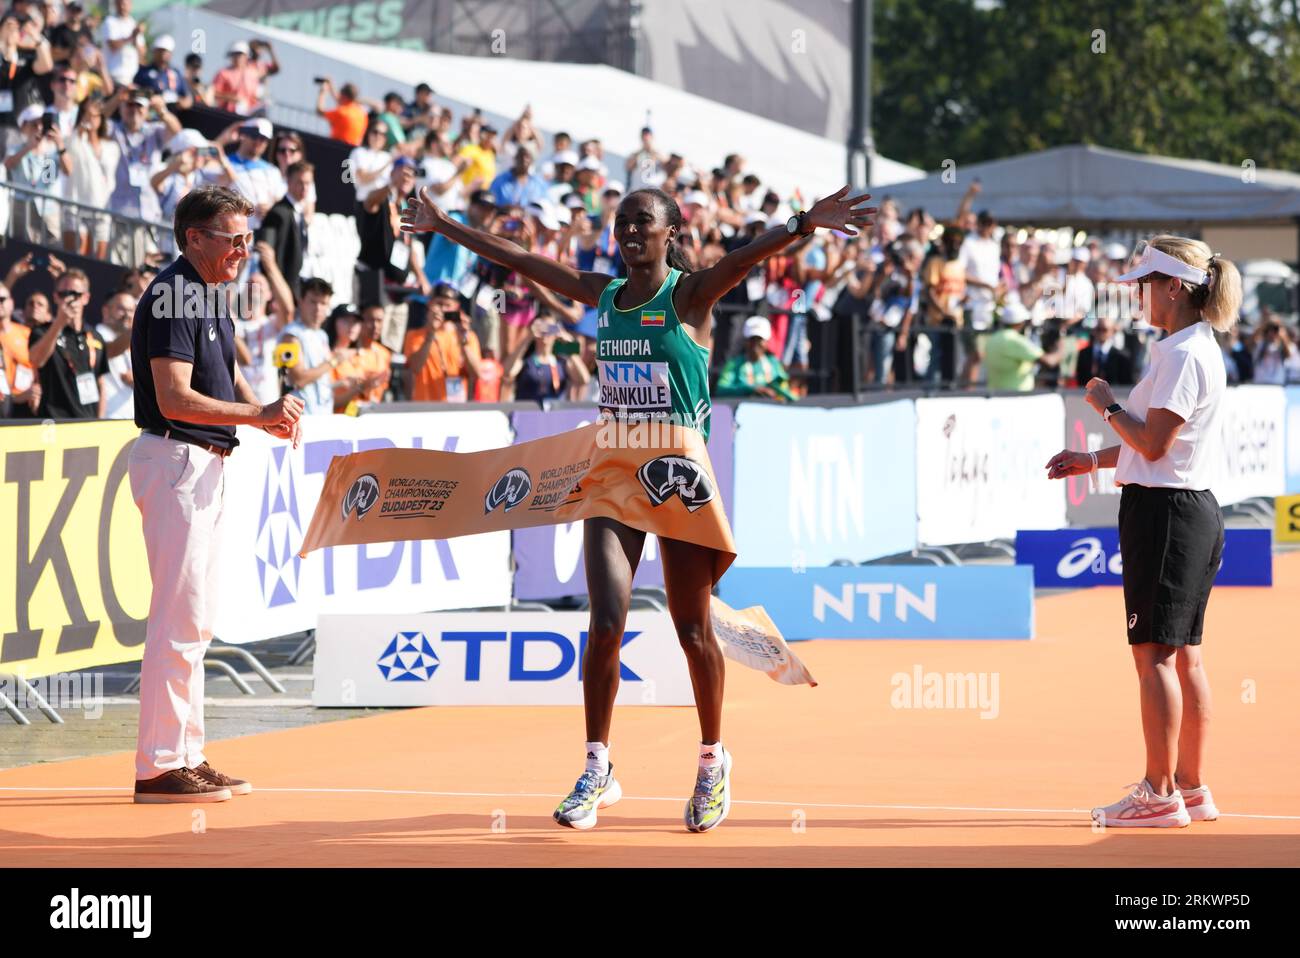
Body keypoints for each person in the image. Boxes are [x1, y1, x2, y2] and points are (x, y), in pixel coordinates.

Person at [401, 180, 873, 832]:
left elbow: (745, 260)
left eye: (641, 223)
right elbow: (521, 259)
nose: (627, 232)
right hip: (616, 472)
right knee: (605, 623)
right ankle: (598, 765)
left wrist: (801, 224)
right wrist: (443, 222)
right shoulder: (605, 295)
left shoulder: (689, 294)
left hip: (678, 476)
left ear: (668, 233)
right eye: (621, 222)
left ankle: (713, 759)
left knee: (691, 630)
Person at [1046, 236, 1242, 829]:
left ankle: (1159, 794)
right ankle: (1190, 787)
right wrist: (1093, 459)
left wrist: (1103, 405)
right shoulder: (1189, 348)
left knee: (1153, 656)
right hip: (1187, 508)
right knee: (1185, 659)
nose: (1138, 294)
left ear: (1173, 288)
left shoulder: (1182, 354)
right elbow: (1152, 445)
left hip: (1167, 515)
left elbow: (1153, 443)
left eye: (1145, 284)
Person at [129, 186, 302, 803]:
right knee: (178, 621)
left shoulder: (207, 295)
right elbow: (174, 397)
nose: (244, 250)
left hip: (199, 461)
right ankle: (157, 766)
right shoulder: (177, 293)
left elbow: (218, 380)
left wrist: (264, 415)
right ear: (194, 237)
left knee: (194, 620)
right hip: (176, 456)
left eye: (248, 239)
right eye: (234, 239)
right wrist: (258, 413)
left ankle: (185, 755)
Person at [26, 268, 108, 418]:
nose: (69, 299)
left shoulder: (95, 336)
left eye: (76, 294)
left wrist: (100, 420)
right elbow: (37, 360)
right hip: (54, 423)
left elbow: (101, 382)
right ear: (55, 297)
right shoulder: (42, 331)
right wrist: (59, 323)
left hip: (88, 422)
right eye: (64, 294)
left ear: (86, 298)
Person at [403, 281, 481, 402]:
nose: (443, 310)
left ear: (456, 306)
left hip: (456, 409)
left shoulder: (468, 336)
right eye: (439, 304)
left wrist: (463, 341)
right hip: (425, 407)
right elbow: (414, 368)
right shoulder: (414, 335)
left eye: (448, 305)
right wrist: (431, 334)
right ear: (430, 304)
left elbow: (476, 373)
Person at [279, 276, 345, 414]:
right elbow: (297, 379)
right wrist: (333, 361)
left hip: (323, 413)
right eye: (313, 302)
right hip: (301, 416)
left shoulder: (322, 335)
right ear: (301, 301)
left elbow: (321, 380)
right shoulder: (289, 336)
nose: (318, 308)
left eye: (323, 303)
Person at [257, 159, 313, 299]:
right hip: (280, 292)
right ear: (288, 181)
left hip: (293, 288)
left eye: (308, 183)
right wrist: (277, 292)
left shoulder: (298, 212)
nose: (304, 188)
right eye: (300, 182)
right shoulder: (278, 213)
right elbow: (271, 258)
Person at [981, 300, 1062, 392]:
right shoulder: (1015, 340)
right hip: (1016, 396)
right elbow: (1049, 361)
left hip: (995, 394)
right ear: (1020, 323)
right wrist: (1061, 347)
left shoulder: (993, 338)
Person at [715, 315, 797, 401]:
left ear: (767, 342)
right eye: (752, 339)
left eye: (760, 339)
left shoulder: (774, 363)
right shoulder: (734, 364)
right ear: (745, 341)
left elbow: (785, 390)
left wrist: (776, 391)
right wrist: (750, 390)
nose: (755, 344)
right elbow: (721, 390)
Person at [0, 280, 40, 415]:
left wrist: (35, 391)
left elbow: (38, 367)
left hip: (27, 405)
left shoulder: (27, 334)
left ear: (11, 303)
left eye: (2, 299)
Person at [95, 290, 136, 419]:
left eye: (131, 310)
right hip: (108, 418)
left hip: (131, 419)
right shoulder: (97, 334)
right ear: (106, 311)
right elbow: (110, 350)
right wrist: (139, 325)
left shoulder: (132, 340)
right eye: (121, 309)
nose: (127, 315)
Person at [133, 34, 190, 108]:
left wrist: (179, 102)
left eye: (165, 51)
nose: (162, 54)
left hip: (171, 116)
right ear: (154, 52)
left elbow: (187, 99)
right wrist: (152, 97)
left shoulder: (176, 74)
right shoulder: (144, 72)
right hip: (150, 115)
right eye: (159, 50)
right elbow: (133, 93)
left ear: (171, 53)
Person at [1075, 315, 1135, 386]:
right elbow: (1080, 381)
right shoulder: (1084, 354)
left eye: (1104, 330)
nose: (1101, 333)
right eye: (1098, 329)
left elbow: (1126, 383)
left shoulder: (1122, 356)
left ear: (1112, 331)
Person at [99, 0, 143, 87]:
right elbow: (113, 46)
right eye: (120, 3)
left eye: (125, 4)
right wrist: (131, 37)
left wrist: (135, 38)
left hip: (131, 79)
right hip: (114, 78)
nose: (123, 6)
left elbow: (142, 52)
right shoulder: (110, 22)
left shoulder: (133, 23)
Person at [315, 77, 367, 146]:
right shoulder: (362, 113)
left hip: (337, 146)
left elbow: (319, 111)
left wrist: (322, 93)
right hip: (353, 148)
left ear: (344, 96)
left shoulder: (342, 112)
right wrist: (331, 86)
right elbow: (341, 101)